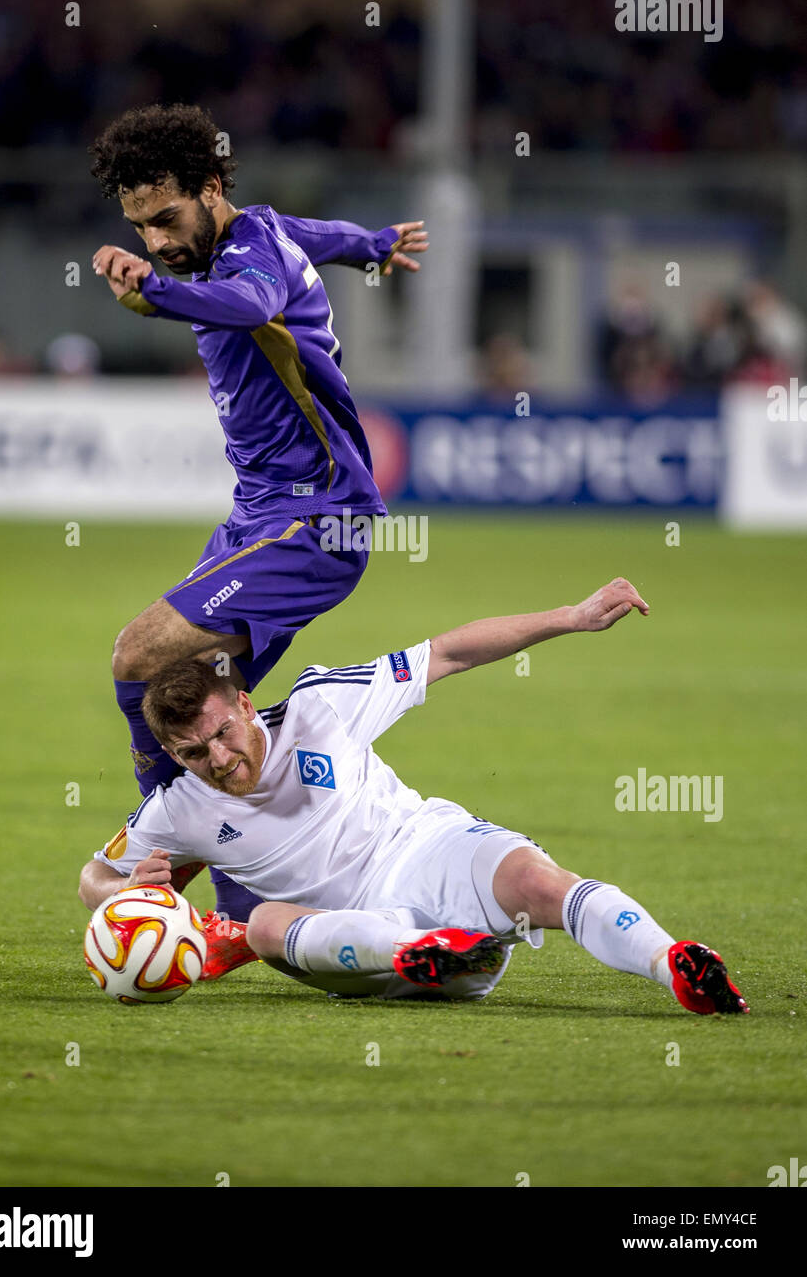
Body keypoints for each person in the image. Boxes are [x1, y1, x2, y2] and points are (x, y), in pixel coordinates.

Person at [79, 578, 748, 1014]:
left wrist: (569, 618)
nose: (219, 760)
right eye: (194, 754)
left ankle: (675, 966)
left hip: (422, 847)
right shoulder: (175, 809)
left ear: (245, 704)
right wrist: (131, 891)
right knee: (263, 926)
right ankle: (415, 949)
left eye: (223, 734)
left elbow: (446, 653)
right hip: (349, 947)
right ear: (169, 754)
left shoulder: (323, 706)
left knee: (536, 882)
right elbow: (93, 878)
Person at [88, 101, 428, 930]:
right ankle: (252, 905)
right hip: (259, 517)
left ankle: (155, 858)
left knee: (138, 656)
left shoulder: (249, 254)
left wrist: (157, 296)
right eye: (140, 229)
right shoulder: (267, 225)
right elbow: (322, 234)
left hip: (319, 518)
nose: (158, 241)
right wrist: (376, 246)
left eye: (167, 219)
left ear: (209, 191)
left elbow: (248, 304)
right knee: (206, 701)